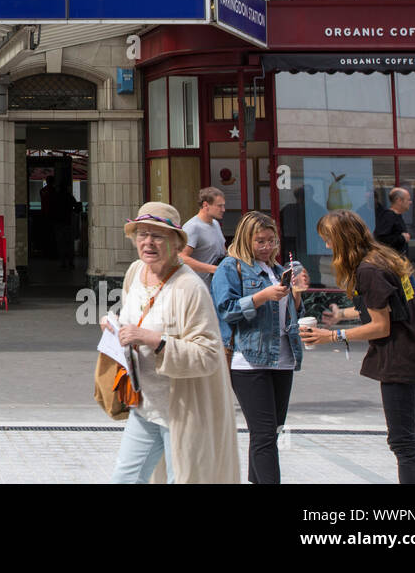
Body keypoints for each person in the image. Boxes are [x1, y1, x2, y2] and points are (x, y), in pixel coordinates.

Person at [301, 209, 415, 484]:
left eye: (328, 239)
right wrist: (344, 314)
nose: (327, 245)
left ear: (342, 239)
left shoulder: (369, 270)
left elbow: (380, 326)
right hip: (410, 352)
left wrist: (331, 336)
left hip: (398, 358)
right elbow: (386, 308)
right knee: (413, 436)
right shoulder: (382, 259)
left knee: (403, 442)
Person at [106, 202, 239, 484]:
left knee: (183, 479)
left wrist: (154, 340)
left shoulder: (189, 287)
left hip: (184, 410)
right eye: (142, 234)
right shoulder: (135, 272)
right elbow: (137, 317)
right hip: (146, 405)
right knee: (124, 479)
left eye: (158, 235)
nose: (148, 242)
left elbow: (209, 355)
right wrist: (115, 327)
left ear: (177, 242)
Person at [212, 211, 308, 483]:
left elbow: (291, 315)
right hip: (248, 359)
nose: (267, 247)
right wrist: (262, 296)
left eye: (272, 241)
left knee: (270, 433)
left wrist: (297, 295)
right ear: (246, 240)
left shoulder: (278, 270)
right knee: (264, 433)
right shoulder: (231, 267)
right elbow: (226, 311)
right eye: (260, 242)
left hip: (283, 358)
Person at [180, 187, 227, 287]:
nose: (223, 209)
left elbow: (223, 251)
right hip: (198, 288)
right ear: (205, 205)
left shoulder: (215, 224)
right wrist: (213, 269)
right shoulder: (192, 227)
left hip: (216, 286)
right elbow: (182, 258)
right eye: (219, 206)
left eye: (223, 206)